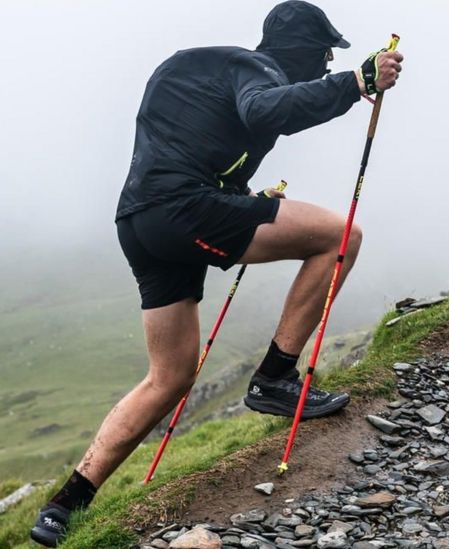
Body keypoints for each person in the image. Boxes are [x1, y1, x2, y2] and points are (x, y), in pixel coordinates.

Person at [30, 2, 403, 546]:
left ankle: (63, 507)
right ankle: (275, 378)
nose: (325, 65)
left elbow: (190, 139)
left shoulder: (206, 65)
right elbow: (264, 112)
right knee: (341, 236)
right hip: (185, 211)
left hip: (139, 221)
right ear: (303, 49)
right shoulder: (259, 69)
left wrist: (236, 195)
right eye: (324, 55)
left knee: (169, 376)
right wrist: (355, 82)